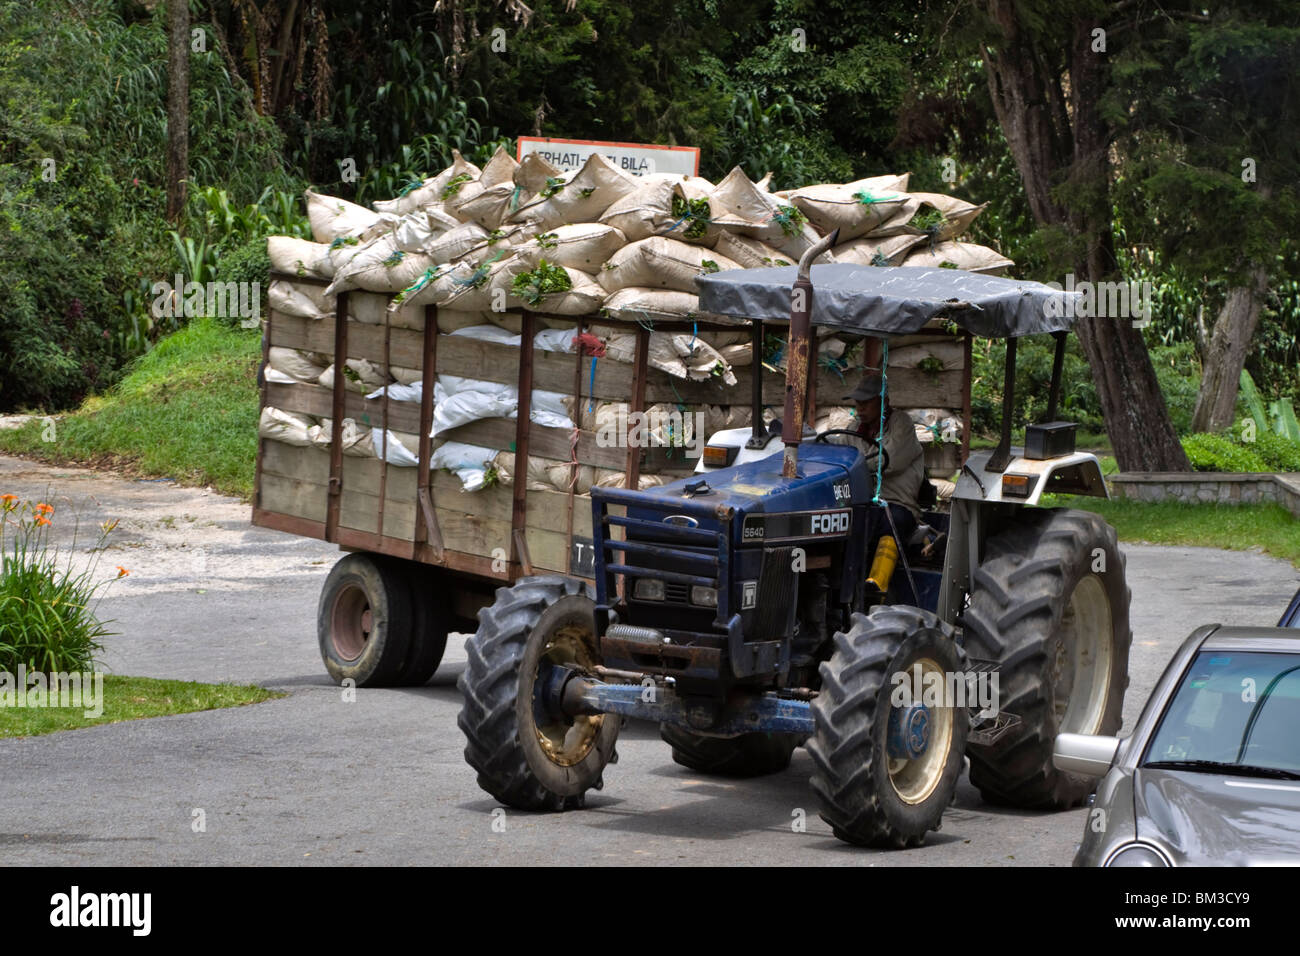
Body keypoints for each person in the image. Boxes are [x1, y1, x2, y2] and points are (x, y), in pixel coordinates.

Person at [830, 370, 926, 556]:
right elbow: (838, 456)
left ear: (884, 402)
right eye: (858, 403)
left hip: (896, 504)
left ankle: (878, 582)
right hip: (861, 503)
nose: (860, 409)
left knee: (891, 523)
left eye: (866, 403)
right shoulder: (853, 429)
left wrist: (854, 467)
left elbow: (888, 461)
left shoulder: (901, 424)